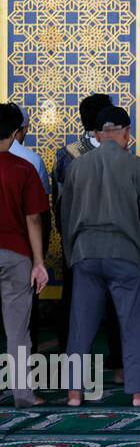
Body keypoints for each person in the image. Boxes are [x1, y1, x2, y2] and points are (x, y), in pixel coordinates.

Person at [61, 106, 140, 406]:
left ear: (99, 134)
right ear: (126, 133)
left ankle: (74, 392)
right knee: (132, 323)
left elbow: (65, 216)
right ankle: (139, 392)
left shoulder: (76, 167)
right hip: (126, 254)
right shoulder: (139, 167)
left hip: (86, 252)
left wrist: (70, 254)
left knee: (81, 324)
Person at [53, 93, 121, 372]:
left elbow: (59, 203)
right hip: (115, 240)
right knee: (118, 303)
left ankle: (69, 366)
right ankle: (119, 365)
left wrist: (67, 237)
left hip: (78, 240)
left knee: (74, 303)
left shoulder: (67, 154)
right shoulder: (121, 152)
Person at [0, 103, 50, 406]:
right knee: (18, 328)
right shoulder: (24, 168)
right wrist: (39, 262)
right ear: (15, 132)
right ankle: (23, 393)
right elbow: (34, 219)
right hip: (16, 254)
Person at [8, 108, 51, 352]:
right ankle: (25, 377)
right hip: (20, 247)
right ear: (20, 131)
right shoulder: (30, 161)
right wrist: (39, 257)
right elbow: (38, 214)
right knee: (23, 315)